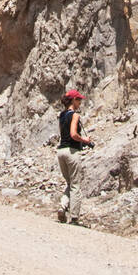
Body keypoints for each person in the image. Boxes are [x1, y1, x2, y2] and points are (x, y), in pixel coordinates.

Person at [56, 89, 93, 225]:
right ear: (72, 100)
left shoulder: (61, 115)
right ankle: (75, 218)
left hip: (61, 152)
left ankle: (62, 206)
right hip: (72, 152)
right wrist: (85, 140)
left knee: (70, 183)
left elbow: (63, 134)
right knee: (75, 185)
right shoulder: (75, 116)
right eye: (78, 100)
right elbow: (73, 134)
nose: (80, 102)